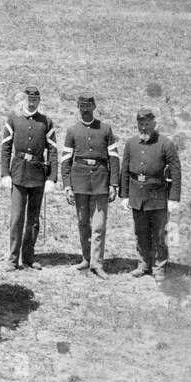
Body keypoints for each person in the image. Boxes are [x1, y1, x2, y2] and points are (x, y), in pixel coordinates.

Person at [60, 90, 119, 277]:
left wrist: (113, 184)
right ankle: (86, 258)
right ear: (78, 107)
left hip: (101, 182)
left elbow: (114, 158)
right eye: (82, 106)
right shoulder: (72, 131)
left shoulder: (105, 129)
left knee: (99, 225)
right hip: (80, 182)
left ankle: (97, 264)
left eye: (88, 106)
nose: (85, 109)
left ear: (94, 106)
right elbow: (66, 160)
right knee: (83, 223)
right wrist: (67, 186)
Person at [0, 85, 58, 271]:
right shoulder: (13, 119)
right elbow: (5, 148)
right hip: (18, 173)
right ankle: (12, 259)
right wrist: (5, 173)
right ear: (24, 100)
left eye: (35, 100)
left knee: (33, 219)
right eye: (29, 100)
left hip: (38, 175)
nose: (32, 103)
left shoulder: (46, 122)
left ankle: (29, 257)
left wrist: (52, 178)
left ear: (39, 101)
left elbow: (53, 151)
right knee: (16, 218)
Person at [120, 108, 180, 279]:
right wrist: (125, 195)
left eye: (147, 124)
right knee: (141, 232)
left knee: (160, 233)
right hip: (137, 195)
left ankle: (159, 267)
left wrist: (173, 198)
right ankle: (143, 264)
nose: (144, 128)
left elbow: (176, 171)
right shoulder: (131, 143)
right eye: (141, 124)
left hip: (158, 195)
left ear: (154, 124)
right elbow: (125, 170)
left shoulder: (165, 143)